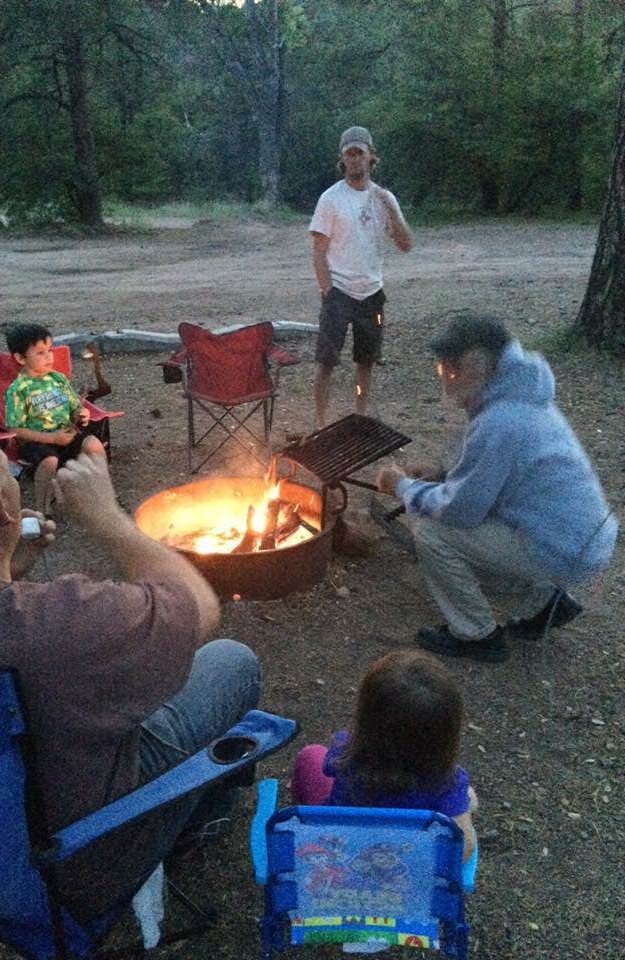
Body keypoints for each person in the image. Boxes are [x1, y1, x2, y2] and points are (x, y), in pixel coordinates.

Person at [0, 418, 261, 920]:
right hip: (67, 868)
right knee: (231, 662)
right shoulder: (59, 625)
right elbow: (198, 604)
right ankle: (196, 814)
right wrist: (107, 518)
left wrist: (3, 569)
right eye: (7, 473)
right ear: (2, 507)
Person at [377, 312, 618, 663]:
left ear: (475, 363)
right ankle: (543, 604)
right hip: (580, 536)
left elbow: (460, 510)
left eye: (448, 370)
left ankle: (476, 634)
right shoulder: (521, 397)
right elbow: (498, 477)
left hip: (566, 548)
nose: (445, 381)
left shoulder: (502, 419)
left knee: (432, 531)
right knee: (473, 529)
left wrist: (403, 487)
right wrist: (442, 472)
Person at [291, 649, 478, 860]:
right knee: (467, 800)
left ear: (366, 717)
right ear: (448, 731)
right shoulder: (448, 783)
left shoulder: (344, 754)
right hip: (401, 872)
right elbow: (464, 847)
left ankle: (304, 819)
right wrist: (465, 807)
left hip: (340, 856)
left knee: (311, 754)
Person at [310, 125, 413, 429]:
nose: (354, 159)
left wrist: (392, 211)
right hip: (339, 291)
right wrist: (327, 290)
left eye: (360, 153)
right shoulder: (330, 199)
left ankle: (360, 414)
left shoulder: (384, 198)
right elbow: (318, 251)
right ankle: (320, 422)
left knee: (365, 361)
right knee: (326, 361)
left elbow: (406, 245)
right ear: (342, 160)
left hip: (372, 291)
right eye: (349, 154)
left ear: (371, 158)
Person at [4, 323, 106, 514]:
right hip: (36, 440)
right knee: (50, 461)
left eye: (50, 350)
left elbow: (74, 405)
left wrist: (80, 413)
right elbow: (15, 429)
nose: (49, 356)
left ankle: (102, 493)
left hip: (66, 433)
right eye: (40, 353)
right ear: (20, 358)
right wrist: (53, 439)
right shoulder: (18, 389)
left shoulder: (58, 379)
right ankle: (41, 508)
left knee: (94, 445)